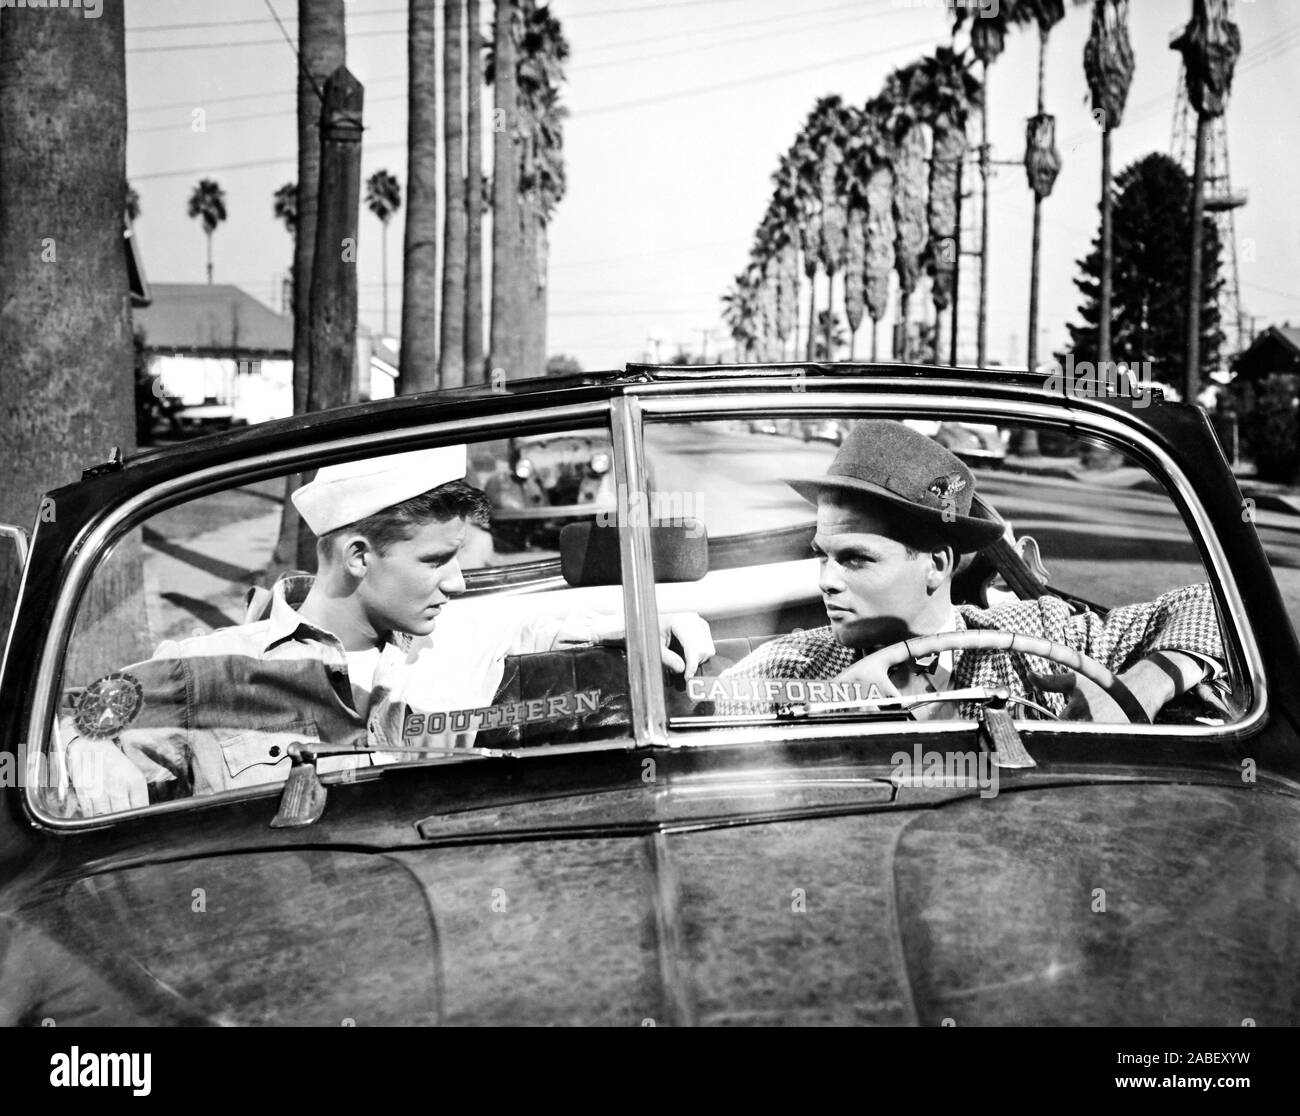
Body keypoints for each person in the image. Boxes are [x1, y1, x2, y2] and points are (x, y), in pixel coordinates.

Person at [63, 444, 714, 816]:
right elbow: (69, 727)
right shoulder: (205, 667)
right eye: (436, 561)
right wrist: (89, 755)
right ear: (357, 557)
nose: (458, 583)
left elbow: (551, 621)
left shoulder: (454, 637)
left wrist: (649, 624)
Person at [714, 420, 1225, 723]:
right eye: (822, 555)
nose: (826, 579)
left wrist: (1142, 687)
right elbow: (707, 714)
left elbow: (1215, 609)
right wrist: (677, 654)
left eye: (855, 558)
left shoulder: (1036, 635)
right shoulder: (794, 667)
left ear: (936, 566)